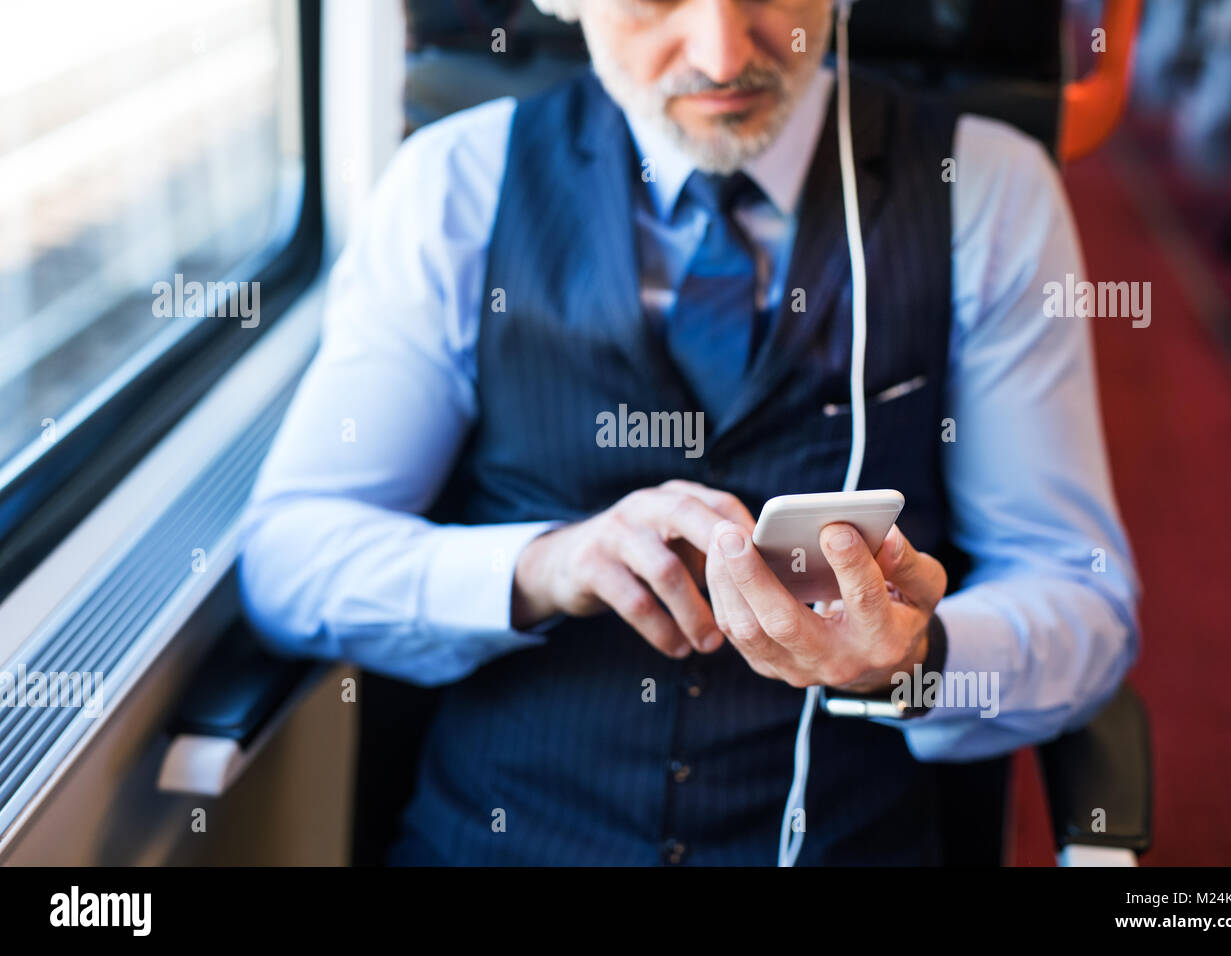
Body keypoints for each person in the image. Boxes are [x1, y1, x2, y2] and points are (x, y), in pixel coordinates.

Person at [238, 0, 1140, 865]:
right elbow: (293, 556)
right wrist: (543, 567)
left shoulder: (989, 191)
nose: (719, 55)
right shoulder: (451, 189)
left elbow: (1082, 595)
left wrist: (917, 660)